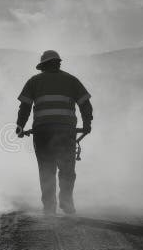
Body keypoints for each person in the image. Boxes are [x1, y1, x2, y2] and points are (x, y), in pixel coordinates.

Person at [16, 50, 93, 214]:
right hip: (66, 131)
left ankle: (49, 207)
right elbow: (85, 104)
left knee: (46, 169)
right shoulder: (72, 81)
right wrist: (87, 124)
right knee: (67, 169)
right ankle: (66, 201)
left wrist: (20, 126)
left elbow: (25, 107)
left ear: (43, 66)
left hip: (42, 132)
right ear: (58, 63)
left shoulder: (34, 82)